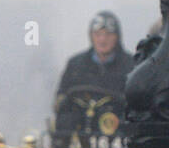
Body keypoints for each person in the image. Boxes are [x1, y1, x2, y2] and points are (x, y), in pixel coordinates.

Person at [54, 9, 133, 137]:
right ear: (91, 36)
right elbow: (60, 98)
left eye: (108, 34)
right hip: (78, 135)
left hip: (116, 135)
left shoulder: (131, 66)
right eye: (98, 34)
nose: (102, 39)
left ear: (117, 37)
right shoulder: (75, 65)